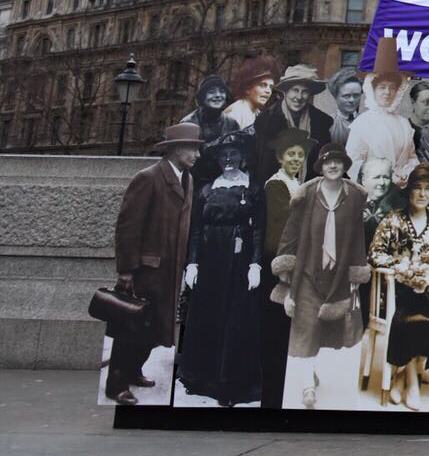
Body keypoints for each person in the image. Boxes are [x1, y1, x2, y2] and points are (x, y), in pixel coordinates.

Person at [106, 121, 201, 404]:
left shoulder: (187, 178)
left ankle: (133, 371)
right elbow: (128, 226)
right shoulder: (148, 177)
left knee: (153, 327)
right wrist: (126, 270)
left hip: (170, 269)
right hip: (147, 271)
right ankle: (116, 383)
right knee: (133, 328)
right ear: (174, 150)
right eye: (192, 149)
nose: (197, 155)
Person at [271, 145, 370, 410]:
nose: (333, 166)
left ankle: (314, 372)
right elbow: (291, 231)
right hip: (308, 271)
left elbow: (358, 238)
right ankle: (306, 385)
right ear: (321, 168)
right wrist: (285, 266)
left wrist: (356, 273)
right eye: (328, 163)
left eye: (337, 162)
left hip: (336, 275)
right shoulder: (308, 196)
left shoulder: (353, 198)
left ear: (344, 166)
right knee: (305, 329)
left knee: (327, 331)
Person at [369, 164, 429, 410]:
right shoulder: (393, 220)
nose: (422, 194)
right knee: (410, 320)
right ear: (409, 192)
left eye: (427, 190)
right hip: (398, 294)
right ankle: (412, 381)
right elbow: (375, 254)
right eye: (417, 189)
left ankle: (402, 377)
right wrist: (401, 268)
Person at [177, 132, 261, 406]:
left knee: (235, 316)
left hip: (238, 259)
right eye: (224, 155)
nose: (228, 159)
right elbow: (196, 228)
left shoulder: (253, 188)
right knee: (208, 313)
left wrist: (255, 263)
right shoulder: (206, 189)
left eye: (233, 154)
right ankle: (202, 378)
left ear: (242, 157)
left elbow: (259, 229)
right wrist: (192, 262)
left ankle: (230, 382)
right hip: (211, 258)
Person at [258, 128, 313, 410]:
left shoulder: (295, 183)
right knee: (277, 329)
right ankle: (272, 395)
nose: (295, 159)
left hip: (296, 263)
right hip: (281, 267)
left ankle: (284, 391)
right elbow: (280, 230)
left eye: (300, 155)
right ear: (280, 157)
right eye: (290, 154)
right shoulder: (277, 185)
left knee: (288, 329)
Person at [345, 41, 417, 188]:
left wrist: (407, 173)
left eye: (392, 88)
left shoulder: (403, 123)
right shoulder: (363, 123)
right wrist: (383, 177)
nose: (387, 92)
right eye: (382, 87)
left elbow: (411, 157)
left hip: (401, 190)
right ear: (372, 89)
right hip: (372, 190)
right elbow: (353, 161)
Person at [253, 64, 332, 182]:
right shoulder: (266, 120)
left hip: (310, 190)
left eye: (305, 92)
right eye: (295, 90)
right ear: (285, 91)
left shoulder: (321, 122)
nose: (299, 97)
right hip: (274, 190)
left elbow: (323, 162)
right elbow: (259, 164)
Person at [182, 75, 237, 188]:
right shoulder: (188, 123)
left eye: (222, 92)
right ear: (202, 97)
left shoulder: (232, 123)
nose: (218, 95)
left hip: (223, 183)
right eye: (211, 92)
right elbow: (183, 161)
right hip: (193, 185)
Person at [224, 54, 278, 132]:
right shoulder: (237, 113)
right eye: (263, 85)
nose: (268, 91)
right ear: (247, 88)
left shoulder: (255, 113)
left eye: (271, 87)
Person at [325, 67, 364, 148]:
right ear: (336, 97)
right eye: (346, 96)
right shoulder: (329, 124)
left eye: (356, 95)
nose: (352, 100)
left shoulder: (367, 122)